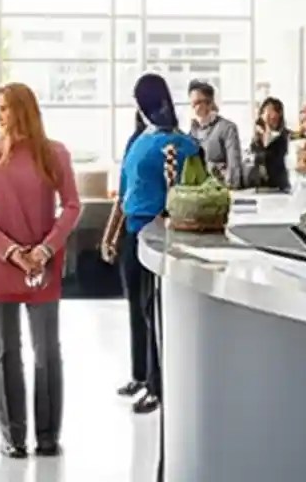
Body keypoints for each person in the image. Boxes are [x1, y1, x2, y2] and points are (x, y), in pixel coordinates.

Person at [0, 83, 81, 458]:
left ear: (23, 110)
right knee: (6, 350)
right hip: (2, 263)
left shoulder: (55, 153)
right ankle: (13, 437)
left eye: (4, 108)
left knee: (46, 351)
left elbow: (72, 205)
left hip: (43, 264)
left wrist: (46, 248)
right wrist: (11, 251)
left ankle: (48, 437)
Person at [116, 73, 200, 415]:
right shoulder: (140, 139)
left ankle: (156, 383)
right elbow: (124, 188)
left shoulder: (180, 144)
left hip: (157, 232)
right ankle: (140, 373)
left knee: (152, 310)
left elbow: (190, 186)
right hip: (132, 230)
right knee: (136, 307)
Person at [187, 81, 243, 188]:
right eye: (192, 103)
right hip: (197, 191)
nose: (195, 107)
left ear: (210, 103)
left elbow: (234, 167)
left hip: (221, 189)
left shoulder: (227, 128)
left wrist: (230, 187)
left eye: (198, 102)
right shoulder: (192, 131)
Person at [243, 97, 290, 191]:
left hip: (277, 185)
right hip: (259, 184)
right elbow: (253, 155)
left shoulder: (282, 136)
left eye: (272, 110)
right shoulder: (258, 136)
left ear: (279, 114)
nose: (268, 114)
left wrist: (267, 128)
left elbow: (270, 157)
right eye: (265, 111)